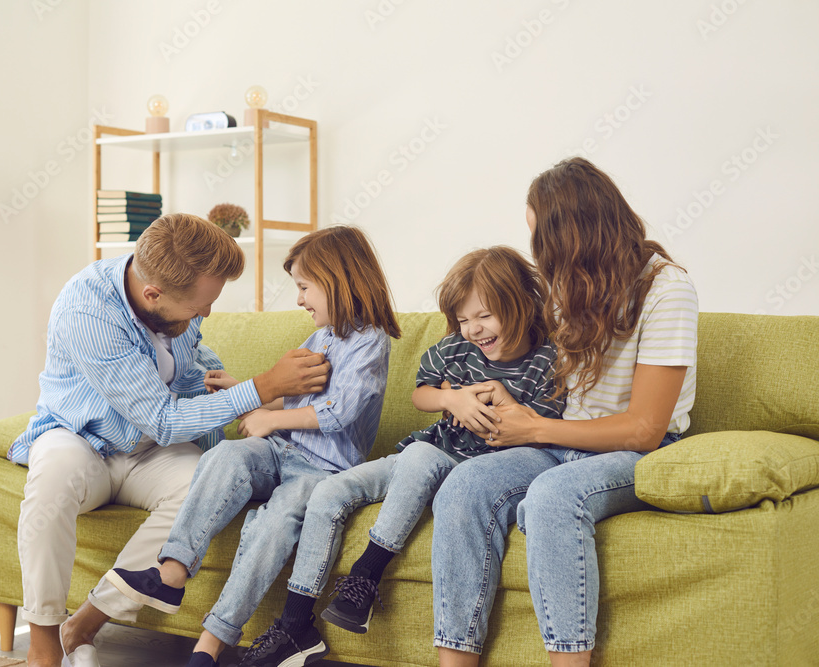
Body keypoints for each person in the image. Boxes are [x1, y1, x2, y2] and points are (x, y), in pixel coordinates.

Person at [9, 213, 331, 667]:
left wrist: (217, 379)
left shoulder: (169, 296)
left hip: (150, 454)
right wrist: (264, 386)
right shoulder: (88, 309)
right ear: (152, 294)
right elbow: (163, 419)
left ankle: (84, 624)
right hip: (82, 439)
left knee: (208, 480)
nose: (206, 313)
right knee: (51, 480)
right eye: (199, 306)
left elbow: (186, 362)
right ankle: (42, 644)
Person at [240, 246, 565, 666]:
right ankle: (296, 625)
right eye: (464, 320)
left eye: (484, 316)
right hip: (425, 451)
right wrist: (454, 398)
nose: (474, 330)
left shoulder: (546, 362)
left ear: (520, 304)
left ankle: (366, 576)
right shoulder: (456, 350)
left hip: (469, 469)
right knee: (329, 493)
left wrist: (502, 415)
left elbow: (542, 428)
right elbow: (421, 394)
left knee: (421, 457)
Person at [431, 157, 699, 667]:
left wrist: (532, 427)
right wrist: (512, 407)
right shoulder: (568, 288)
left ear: (574, 235)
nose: (537, 253)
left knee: (553, 497)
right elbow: (538, 368)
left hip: (638, 452)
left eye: (541, 239)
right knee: (463, 485)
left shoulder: (667, 290)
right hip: (561, 443)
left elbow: (644, 429)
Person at [103, 225, 402, 667]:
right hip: (282, 452)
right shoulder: (322, 337)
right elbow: (298, 394)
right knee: (225, 454)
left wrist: (269, 418)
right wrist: (247, 391)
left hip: (323, 472)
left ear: (338, 280)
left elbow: (339, 412)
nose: (299, 299)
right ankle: (171, 573)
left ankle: (210, 643)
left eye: (304, 287)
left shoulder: (370, 342)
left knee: (273, 523)